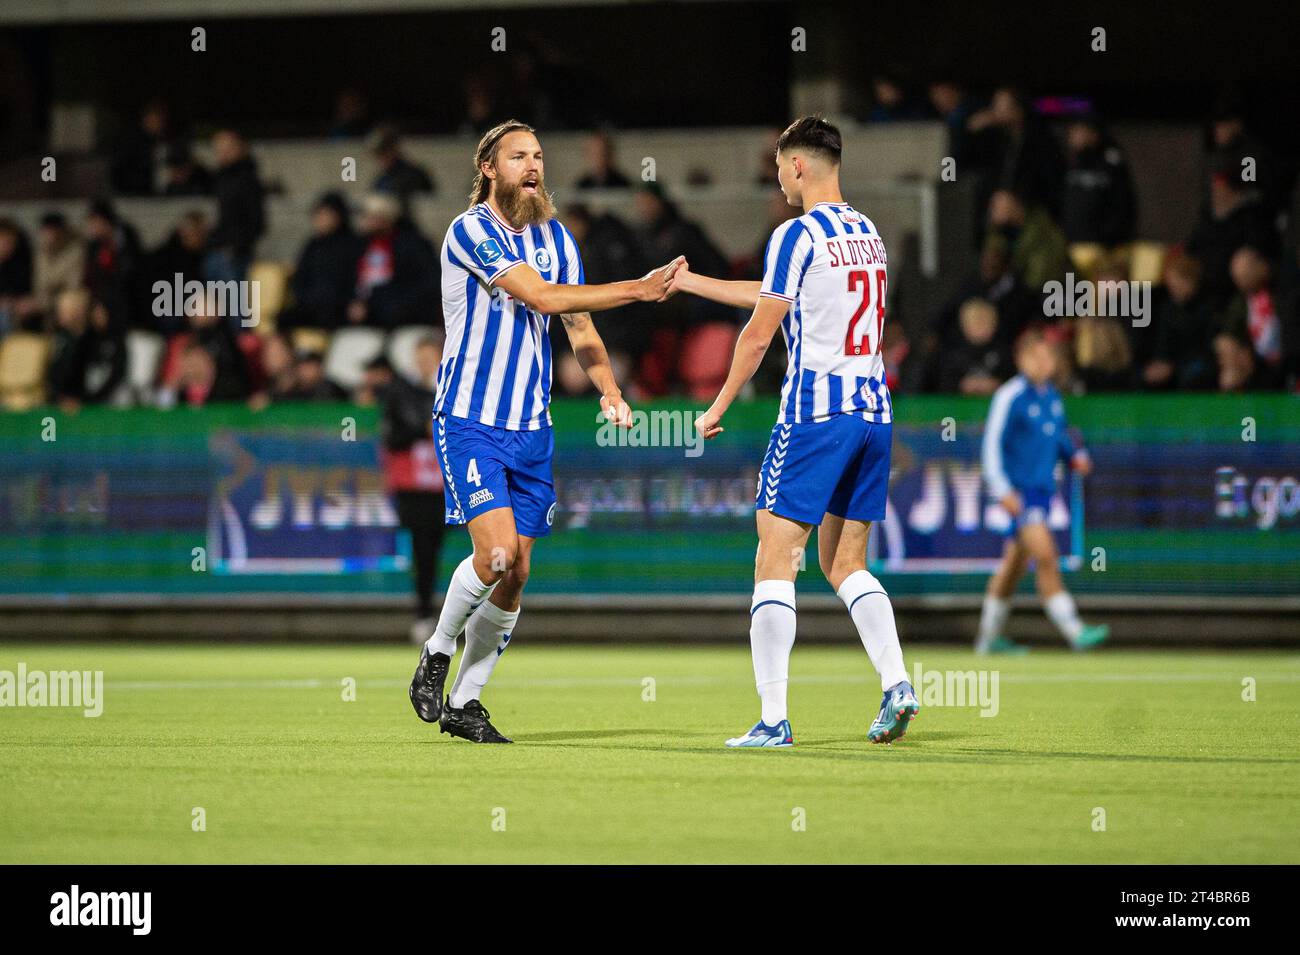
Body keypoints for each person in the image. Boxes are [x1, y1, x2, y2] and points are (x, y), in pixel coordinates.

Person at [406, 119, 683, 744]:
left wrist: (612, 391)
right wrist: (639, 289)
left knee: (518, 571)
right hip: (471, 419)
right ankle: (439, 649)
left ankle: (467, 702)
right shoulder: (472, 231)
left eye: (537, 157)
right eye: (518, 158)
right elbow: (545, 299)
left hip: (532, 427)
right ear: (489, 169)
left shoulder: (557, 237)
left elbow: (580, 331)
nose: (532, 167)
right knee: (495, 551)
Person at [667, 115, 918, 748]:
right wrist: (695, 283)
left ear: (799, 166)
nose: (777, 178)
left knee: (775, 556)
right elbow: (783, 294)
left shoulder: (794, 234)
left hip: (813, 415)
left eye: (779, 166)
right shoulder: (868, 234)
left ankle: (773, 719)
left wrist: (718, 403)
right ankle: (897, 684)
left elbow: (759, 333)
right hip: (872, 415)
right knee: (844, 561)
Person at [976, 329, 1109, 654]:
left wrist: (1075, 457)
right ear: (1021, 360)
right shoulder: (1010, 395)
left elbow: (1059, 437)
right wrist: (1002, 489)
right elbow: (991, 446)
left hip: (1042, 493)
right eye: (1036, 356)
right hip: (1019, 494)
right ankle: (1074, 630)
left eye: (1048, 356)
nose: (1044, 362)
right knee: (1047, 557)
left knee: (1013, 568)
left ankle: (987, 640)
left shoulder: (1050, 396)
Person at [382, 334, 448, 643]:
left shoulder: (454, 388)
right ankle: (425, 614)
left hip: (453, 484)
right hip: (418, 488)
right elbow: (393, 434)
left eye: (429, 356)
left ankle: (467, 616)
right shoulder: (402, 393)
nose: (423, 364)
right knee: (424, 552)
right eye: (419, 357)